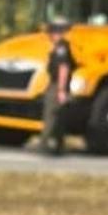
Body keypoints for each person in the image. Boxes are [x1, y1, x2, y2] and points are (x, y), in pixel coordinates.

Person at [41, 19, 76, 155]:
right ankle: (59, 145)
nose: (50, 35)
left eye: (51, 31)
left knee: (51, 114)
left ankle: (46, 143)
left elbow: (63, 68)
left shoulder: (61, 47)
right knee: (60, 115)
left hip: (57, 85)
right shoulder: (61, 46)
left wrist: (61, 90)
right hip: (58, 84)